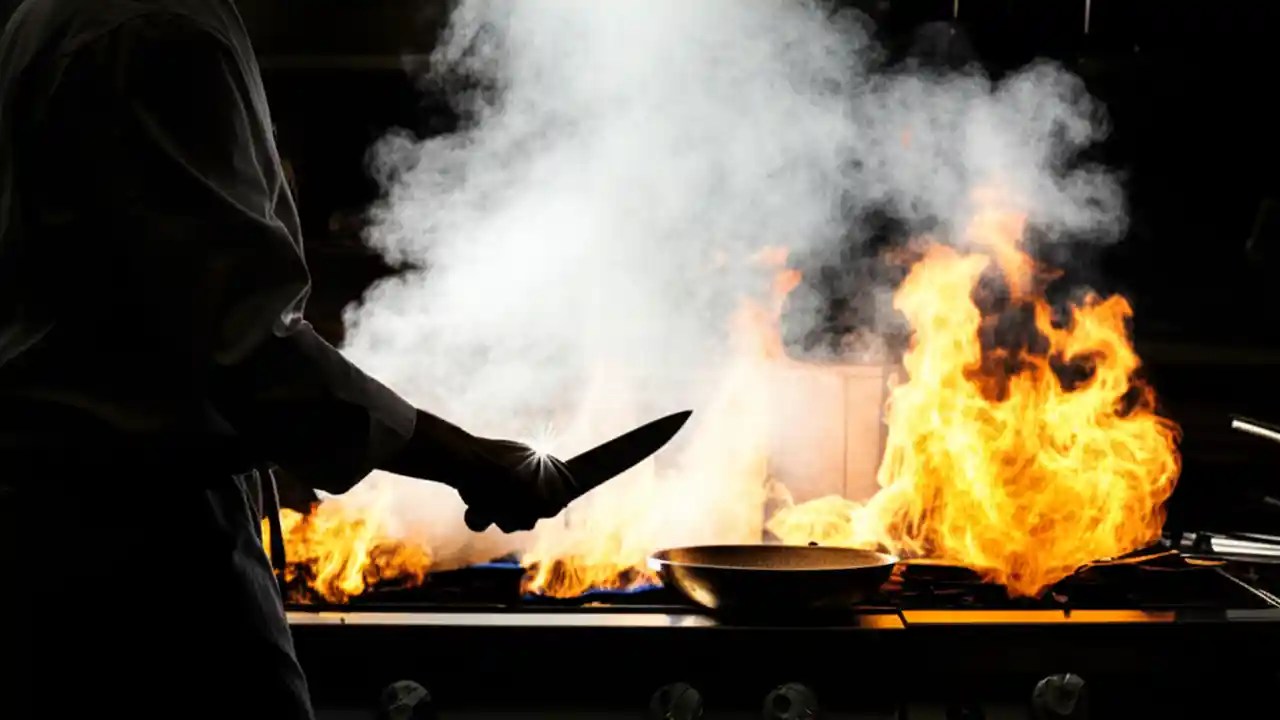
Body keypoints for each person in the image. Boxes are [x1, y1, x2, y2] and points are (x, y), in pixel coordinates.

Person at [0, 0, 575, 717]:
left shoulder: (68, 13)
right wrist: (466, 458)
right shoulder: (156, 27)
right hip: (137, 557)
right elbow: (249, 350)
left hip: (79, 524)